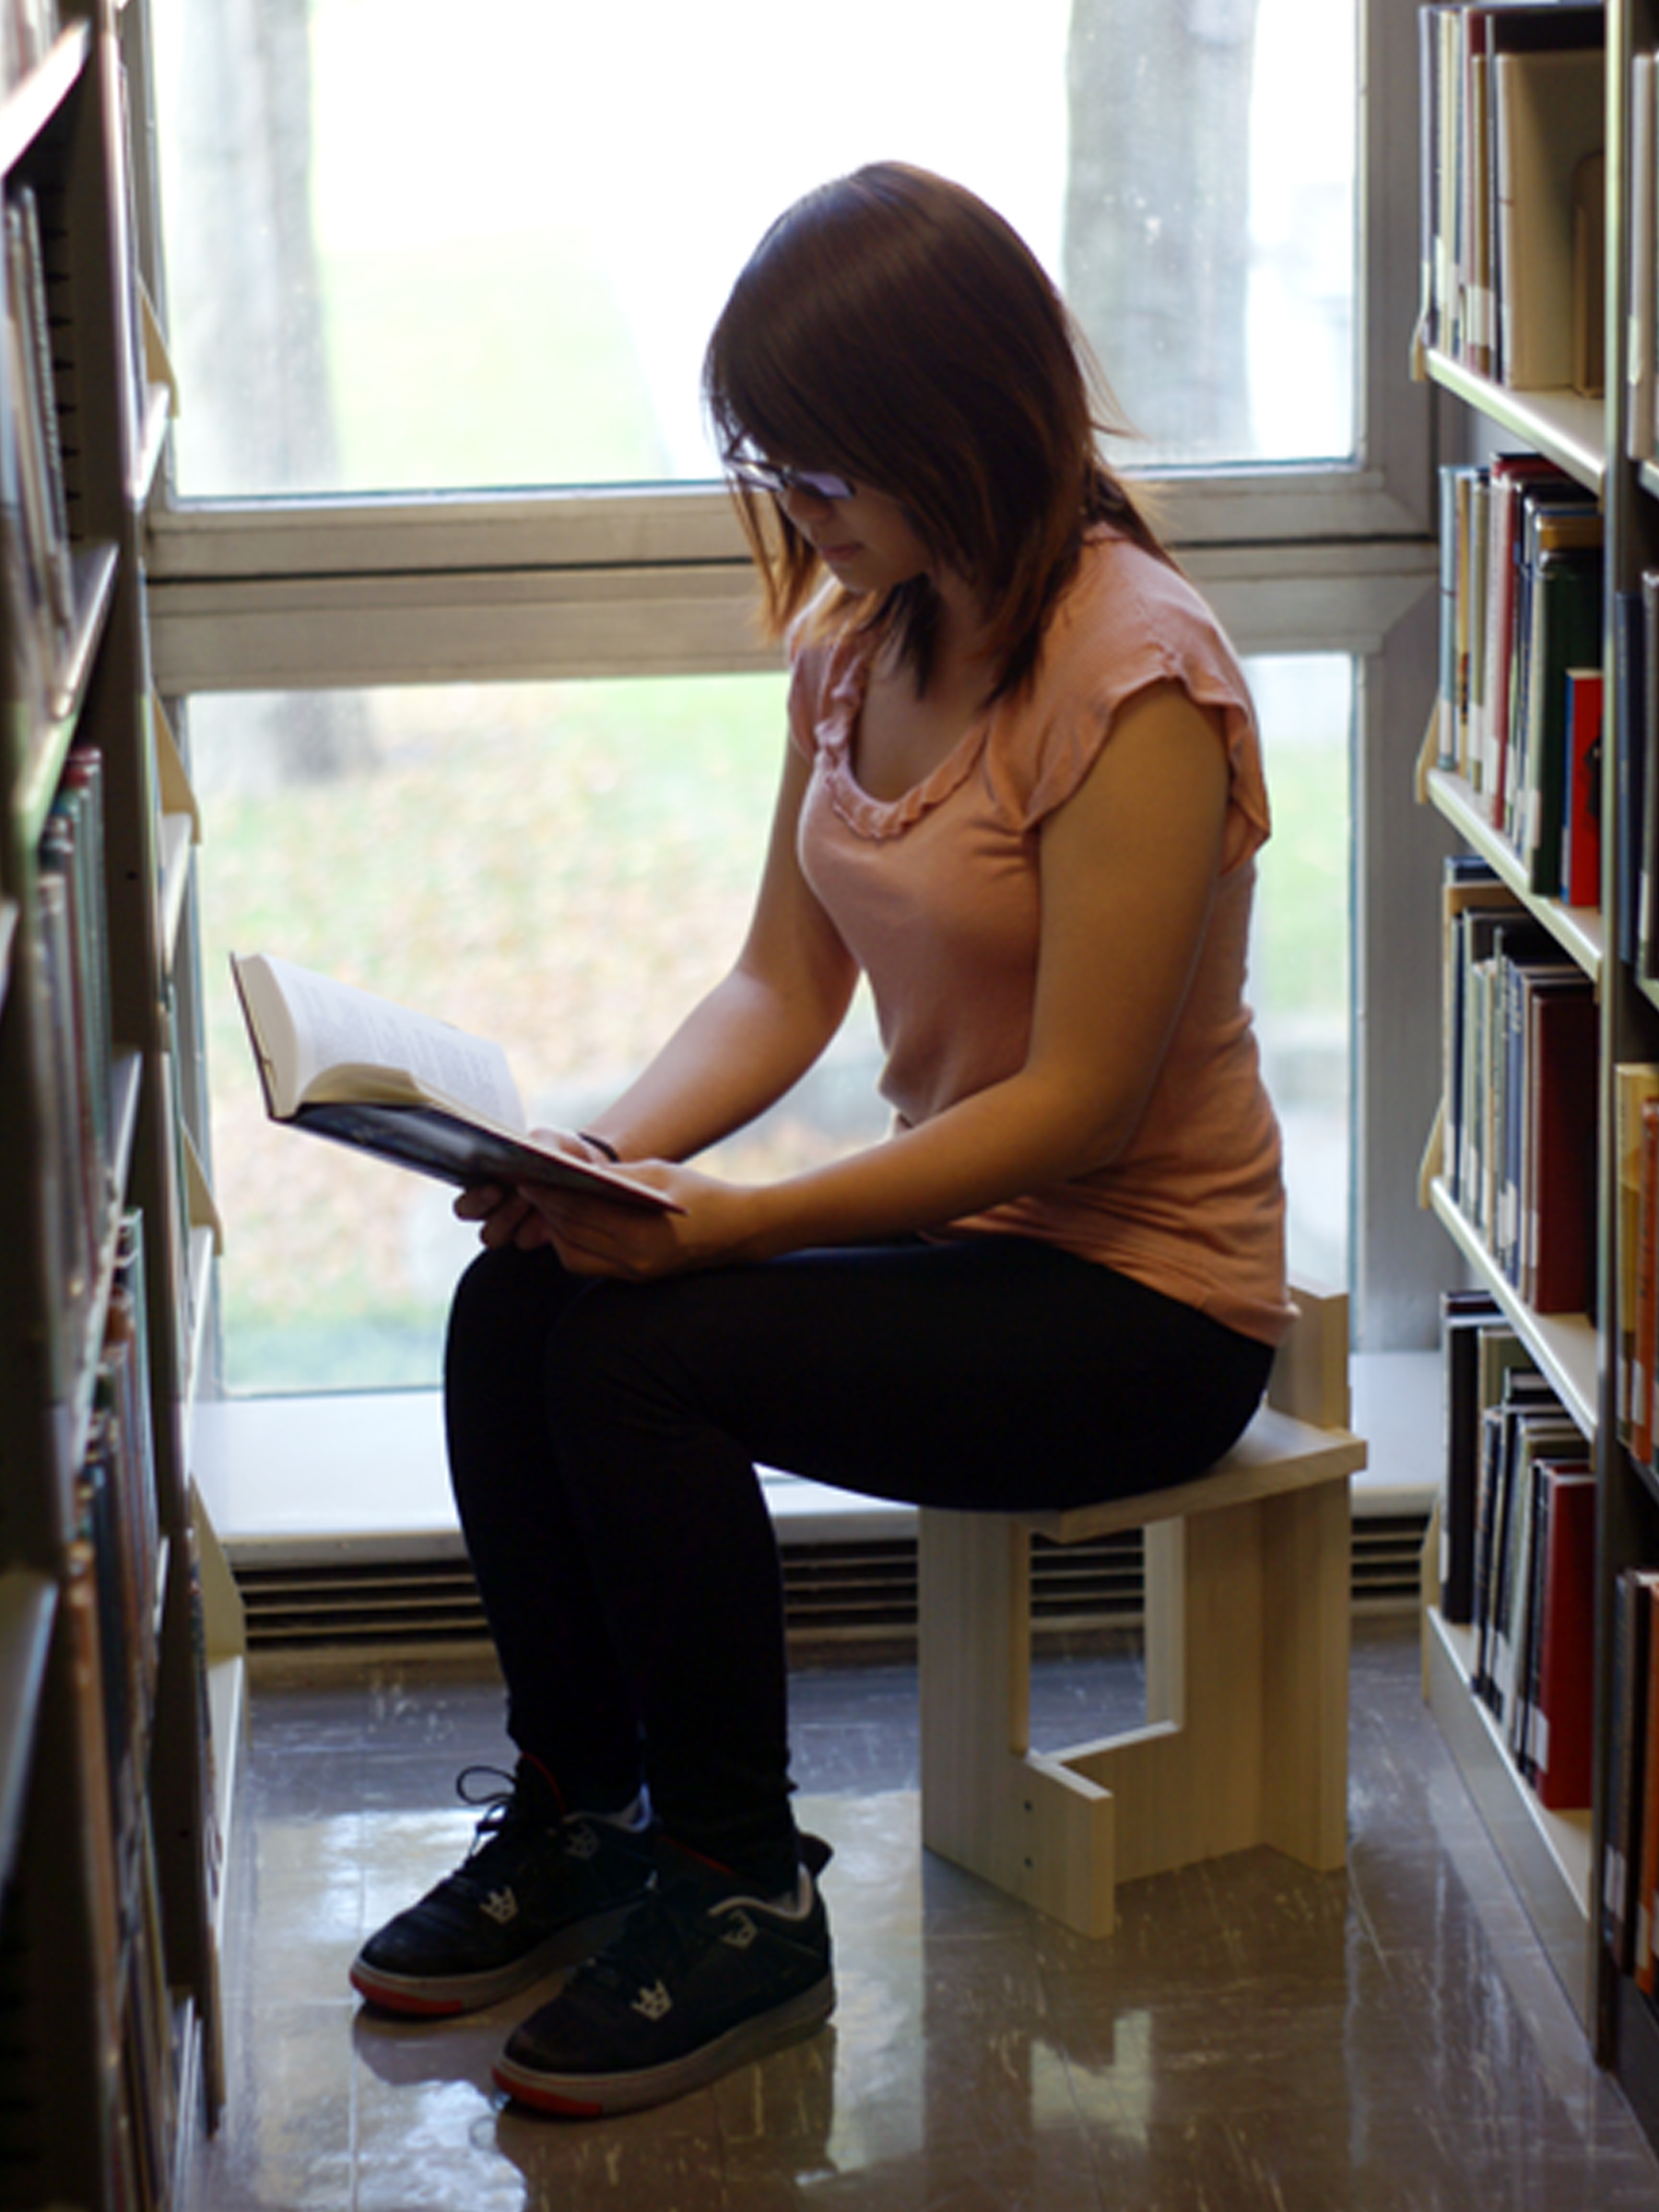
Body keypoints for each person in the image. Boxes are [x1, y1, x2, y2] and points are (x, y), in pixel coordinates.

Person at [348, 160, 1293, 2120]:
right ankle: (583, 1809)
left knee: (642, 1354)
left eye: (830, 469)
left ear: (962, 426)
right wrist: (571, 1162)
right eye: (775, 466)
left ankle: (742, 1889)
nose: (801, 513)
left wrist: (731, 1228)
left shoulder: (1139, 672)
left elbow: (1080, 1105)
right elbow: (781, 988)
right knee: (515, 1300)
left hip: (1138, 1304)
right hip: (974, 1249)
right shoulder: (862, 641)